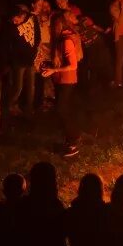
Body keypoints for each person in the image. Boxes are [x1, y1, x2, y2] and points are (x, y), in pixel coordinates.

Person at [41, 9, 81, 157]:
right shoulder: (61, 39)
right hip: (61, 80)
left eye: (52, 25)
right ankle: (71, 138)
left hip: (67, 80)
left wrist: (54, 70)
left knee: (61, 110)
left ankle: (73, 142)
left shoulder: (66, 40)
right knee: (64, 110)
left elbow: (73, 65)